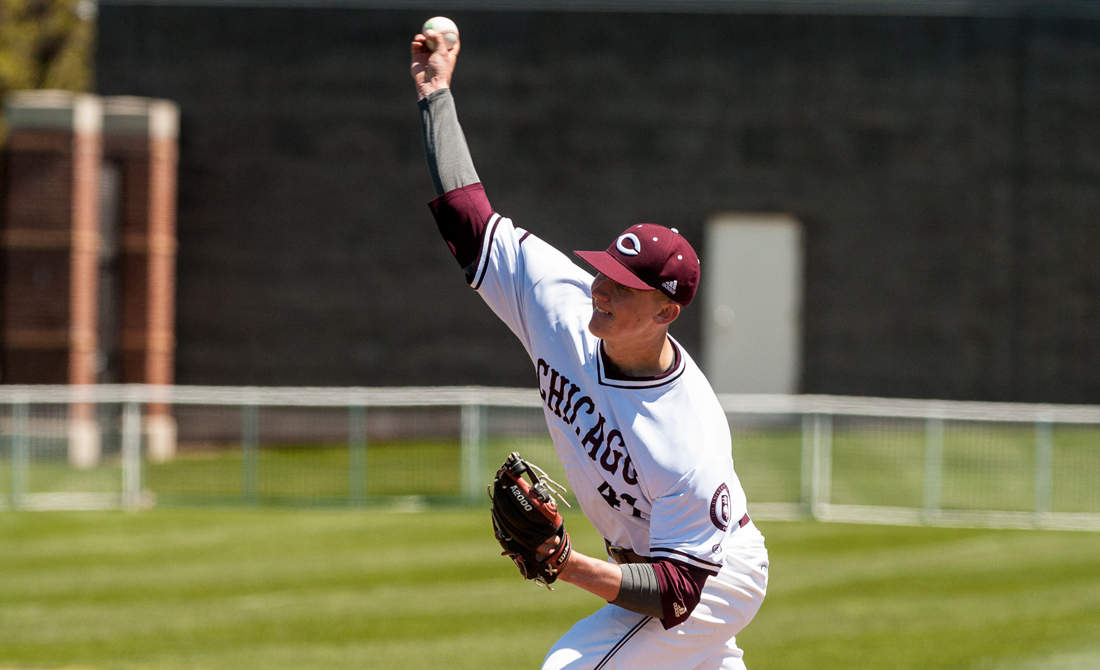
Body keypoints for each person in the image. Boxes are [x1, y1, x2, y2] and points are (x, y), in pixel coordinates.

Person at [411, 26, 769, 670]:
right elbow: (470, 223)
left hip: (713, 579)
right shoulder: (563, 303)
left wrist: (563, 563)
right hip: (658, 572)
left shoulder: (689, 434)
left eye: (625, 288)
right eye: (604, 271)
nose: (602, 289)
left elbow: (678, 594)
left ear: (667, 311)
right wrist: (437, 95)